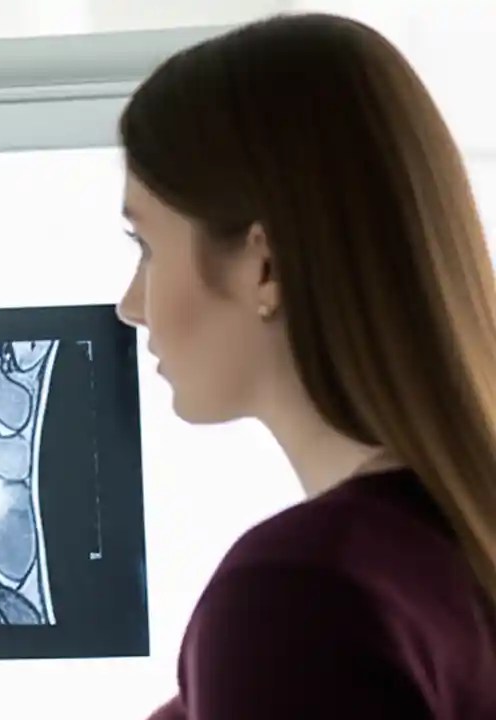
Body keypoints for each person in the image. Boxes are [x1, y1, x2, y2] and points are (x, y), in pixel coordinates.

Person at [114, 13, 496, 719]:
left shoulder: (301, 596)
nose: (131, 305)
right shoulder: (431, 562)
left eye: (146, 246)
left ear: (265, 264)